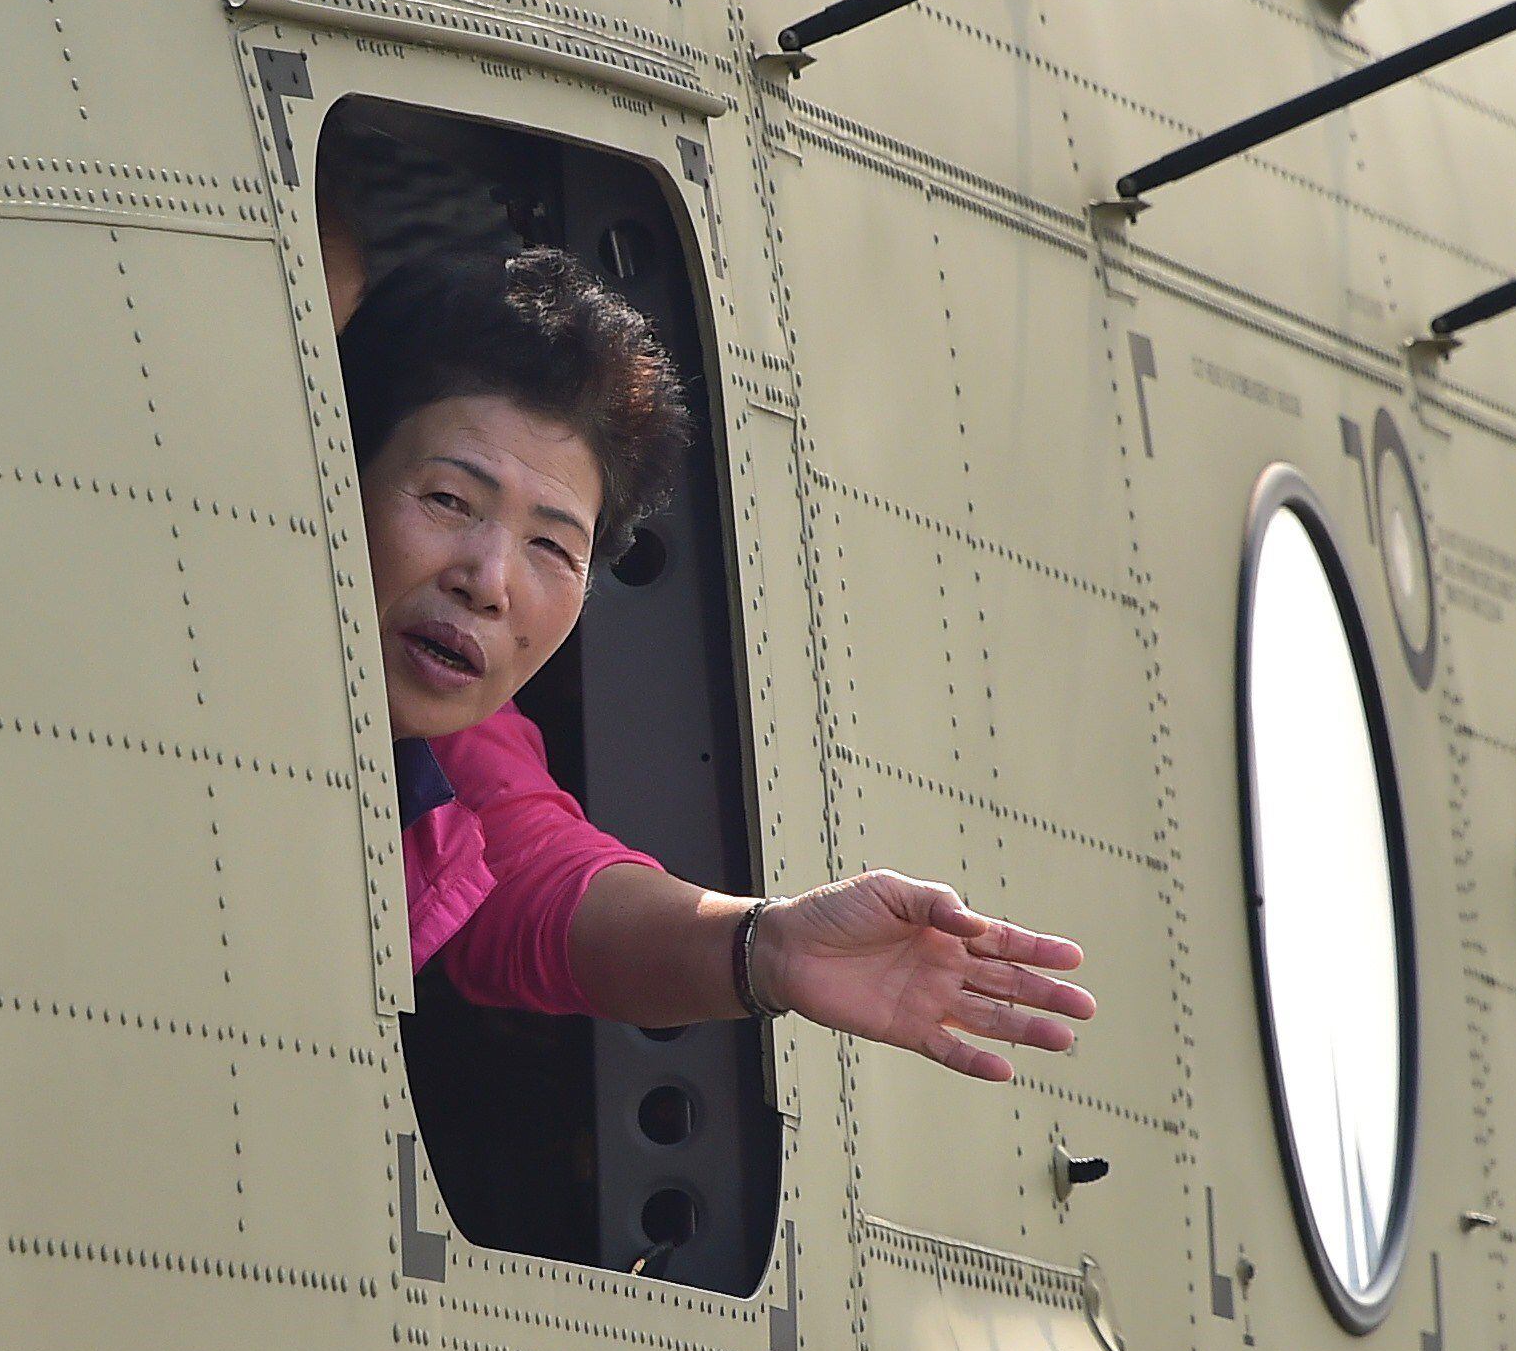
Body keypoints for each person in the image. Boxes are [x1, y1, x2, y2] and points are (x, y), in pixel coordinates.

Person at [348, 249, 1094, 1081]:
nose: (488, 581)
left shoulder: (457, 749)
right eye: (449, 500)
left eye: (551, 547)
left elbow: (536, 872)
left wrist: (763, 945)